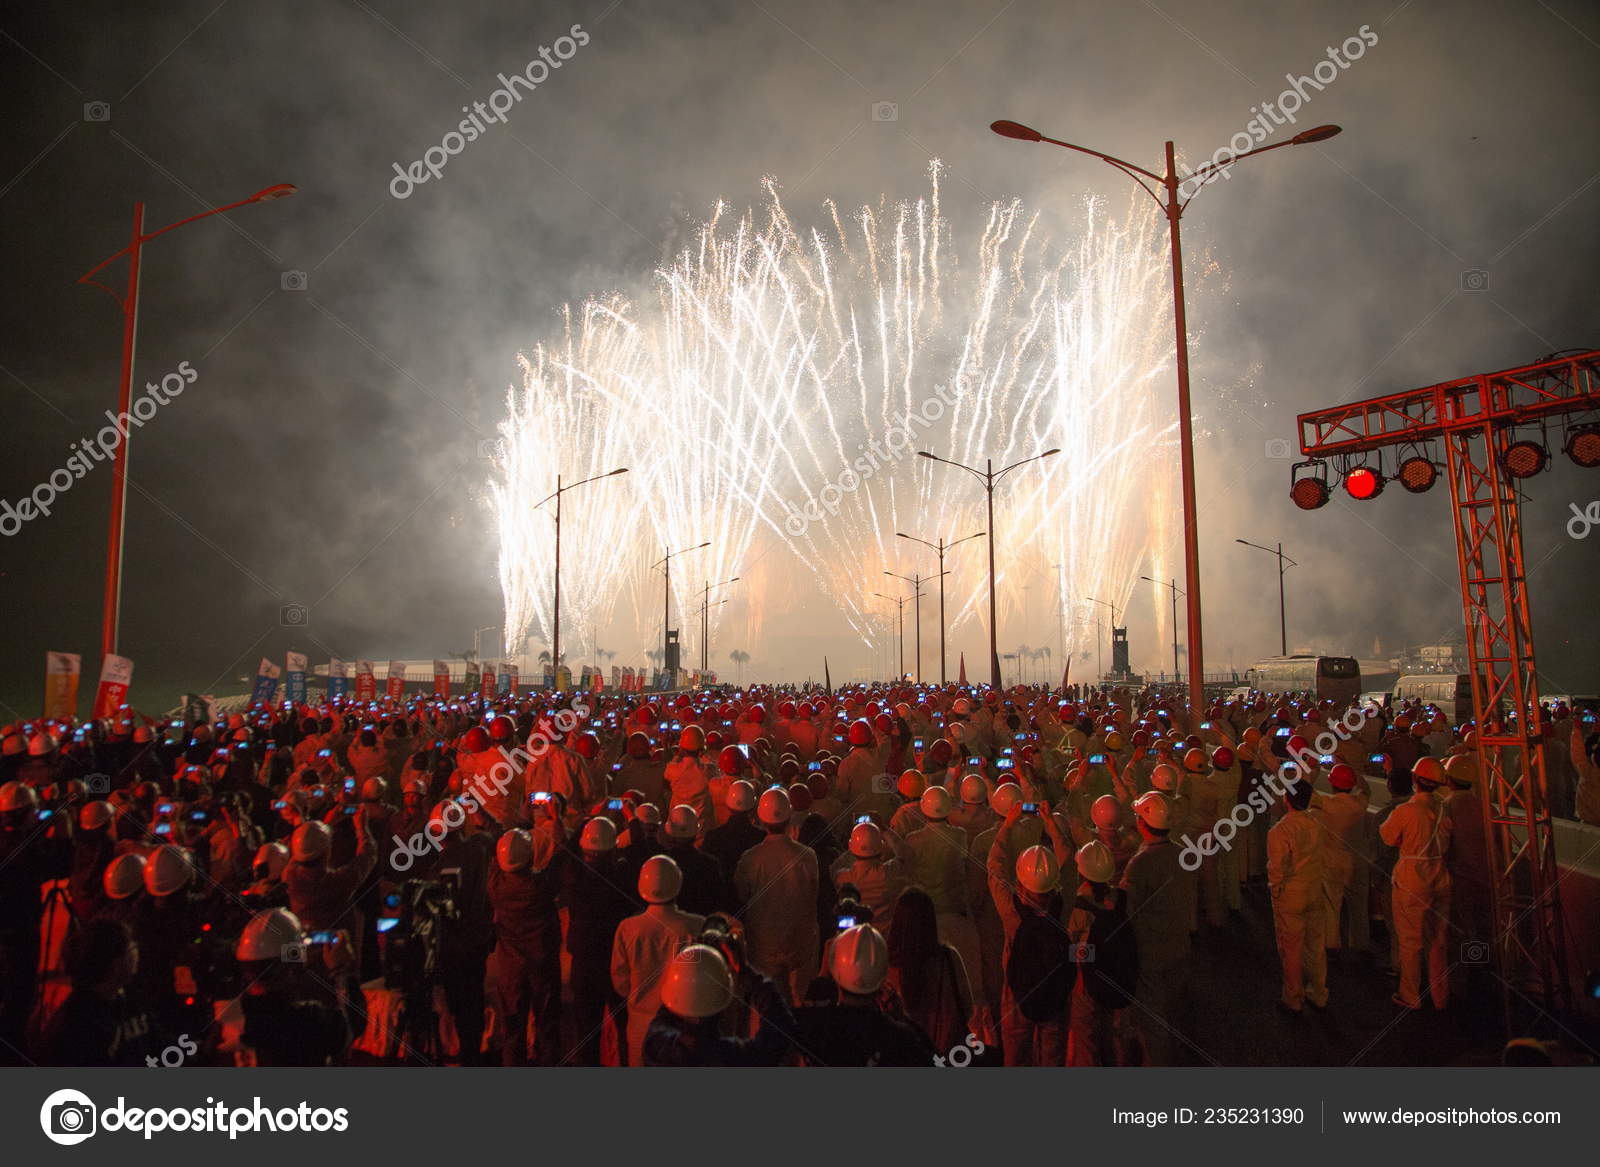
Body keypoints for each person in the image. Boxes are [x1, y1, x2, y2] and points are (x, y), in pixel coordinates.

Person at [230, 908, 363, 1066]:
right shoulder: (307, 1021)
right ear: (292, 968)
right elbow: (353, 1024)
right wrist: (341, 971)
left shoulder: (230, 1018)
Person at [792, 923, 936, 1066]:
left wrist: (823, 975)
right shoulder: (899, 1038)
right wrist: (904, 1019)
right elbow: (938, 1061)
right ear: (882, 975)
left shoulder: (816, 1028)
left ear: (834, 970)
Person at [0, 780, 73, 1063]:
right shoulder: (25, 849)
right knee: (18, 997)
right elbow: (60, 867)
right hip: (18, 930)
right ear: (26, 812)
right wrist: (63, 832)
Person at [611, 855, 706, 1067]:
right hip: (682, 1024)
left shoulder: (628, 928)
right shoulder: (695, 927)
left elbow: (620, 981)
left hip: (640, 1024)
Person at [1119, 790, 1193, 1065]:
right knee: (1176, 1011)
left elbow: (1127, 911)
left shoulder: (1140, 864)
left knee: (1153, 1022)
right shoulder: (1183, 854)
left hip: (1151, 953)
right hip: (1180, 946)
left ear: (1141, 822)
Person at [642, 940, 794, 1066]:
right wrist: (749, 976)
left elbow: (666, 1013)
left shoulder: (655, 1048)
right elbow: (779, 1031)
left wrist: (687, 969)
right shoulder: (731, 1057)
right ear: (722, 1005)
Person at [488, 816, 565, 1066]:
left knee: (512, 1030)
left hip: (510, 968)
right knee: (547, 1025)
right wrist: (557, 821)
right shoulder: (540, 886)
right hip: (542, 963)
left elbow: (495, 848)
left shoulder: (495, 885)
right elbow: (561, 858)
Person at [561, 815, 637, 1064]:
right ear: (612, 847)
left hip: (584, 961)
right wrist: (633, 822)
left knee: (585, 1029)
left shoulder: (574, 877)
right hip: (615, 959)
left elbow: (564, 854)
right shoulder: (622, 875)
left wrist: (584, 823)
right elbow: (642, 855)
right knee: (625, 1024)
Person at [734, 787, 820, 1003]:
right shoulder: (807, 856)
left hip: (764, 945)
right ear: (789, 816)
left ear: (761, 820)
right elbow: (813, 894)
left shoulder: (750, 859)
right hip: (800, 943)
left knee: (768, 1005)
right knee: (799, 1004)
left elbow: (742, 896)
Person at [1380, 756, 1453, 1010]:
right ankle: (1440, 994)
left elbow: (1387, 836)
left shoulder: (1407, 811)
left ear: (1415, 780)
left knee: (1410, 940)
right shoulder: (1444, 807)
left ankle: (1410, 994)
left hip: (1412, 876)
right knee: (1438, 940)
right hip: (1440, 874)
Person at [39, 919, 151, 1066]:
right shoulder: (79, 1028)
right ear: (116, 964)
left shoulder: (129, 999)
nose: (137, 951)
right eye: (131, 947)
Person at [1066, 840, 1135, 1066]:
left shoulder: (1079, 906)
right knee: (1115, 1034)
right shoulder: (1121, 898)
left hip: (1087, 980)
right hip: (1117, 973)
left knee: (1086, 1038)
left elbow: (1075, 948)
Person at [1267, 771, 1329, 1014]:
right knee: (1315, 945)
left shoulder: (1280, 831)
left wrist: (1276, 892)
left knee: (1291, 948)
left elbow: (1276, 869)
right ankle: (1319, 992)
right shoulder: (1318, 821)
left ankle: (1293, 997)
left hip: (1291, 894)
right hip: (1314, 889)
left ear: (1286, 799)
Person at [884, 887, 972, 1054]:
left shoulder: (886, 968)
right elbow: (967, 1007)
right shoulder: (948, 958)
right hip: (946, 1054)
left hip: (904, 1058)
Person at [1318, 762, 1370, 959]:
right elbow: (1366, 789)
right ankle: (1361, 942)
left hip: (1333, 860)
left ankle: (1331, 943)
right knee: (1359, 905)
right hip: (1358, 859)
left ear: (1332, 784)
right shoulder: (1360, 802)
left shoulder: (1327, 805)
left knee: (1332, 903)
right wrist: (1355, 769)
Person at [662, 805, 727, 915]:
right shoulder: (711, 864)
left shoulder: (662, 865)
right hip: (701, 925)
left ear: (670, 831)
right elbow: (718, 900)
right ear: (696, 831)